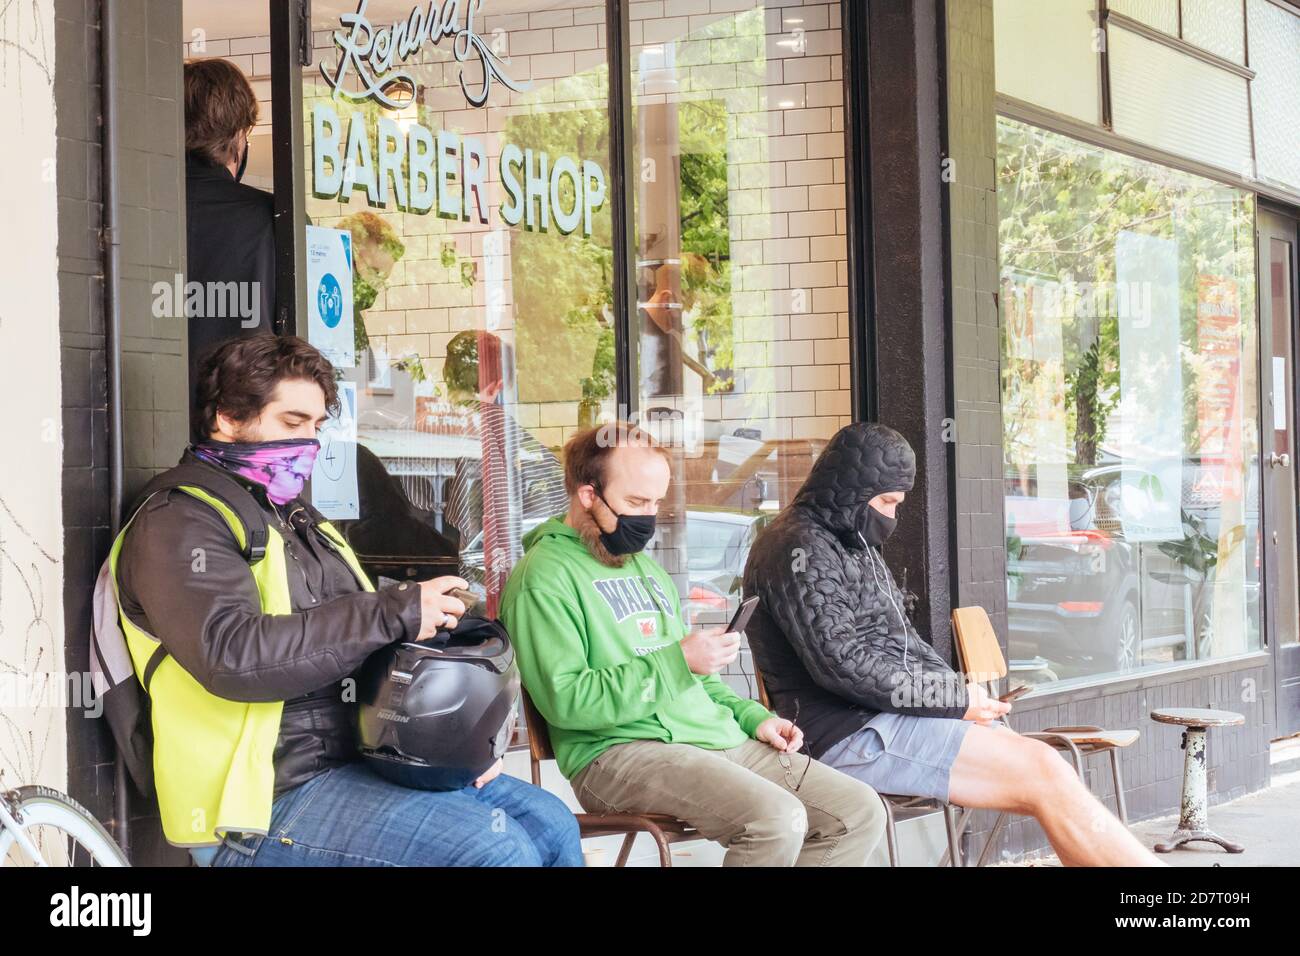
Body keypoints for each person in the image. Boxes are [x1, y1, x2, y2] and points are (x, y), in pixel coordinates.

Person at [114, 335, 582, 867]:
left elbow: (363, 645)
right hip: (259, 802)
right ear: (226, 417)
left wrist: (452, 750)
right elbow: (233, 656)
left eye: (315, 426)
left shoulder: (300, 521)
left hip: (354, 764)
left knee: (549, 825)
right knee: (493, 849)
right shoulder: (178, 521)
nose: (309, 443)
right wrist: (393, 611)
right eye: (292, 423)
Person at [742, 422, 1162, 866]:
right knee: (1045, 772)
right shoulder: (796, 548)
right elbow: (843, 663)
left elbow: (898, 639)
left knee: (1047, 775)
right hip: (843, 734)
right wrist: (953, 698)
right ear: (850, 489)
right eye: (886, 502)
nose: (892, 517)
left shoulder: (849, 539)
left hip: (881, 719)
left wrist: (960, 696)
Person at [500, 422, 887, 866]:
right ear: (588, 494)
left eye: (656, 502)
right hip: (618, 751)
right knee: (776, 820)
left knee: (857, 812)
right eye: (635, 502)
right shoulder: (543, 579)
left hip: (710, 737)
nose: (648, 516)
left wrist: (753, 716)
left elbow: (697, 680)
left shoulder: (645, 572)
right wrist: (677, 661)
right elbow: (568, 703)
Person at [183, 58, 276, 391]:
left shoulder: (134, 212)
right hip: (244, 417)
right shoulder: (274, 218)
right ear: (239, 136)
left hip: (133, 417)